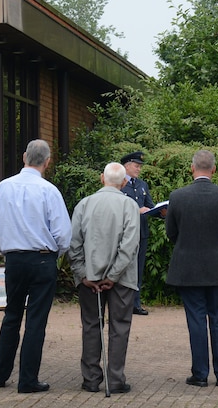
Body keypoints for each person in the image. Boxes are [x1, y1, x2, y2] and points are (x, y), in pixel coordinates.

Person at [0, 139, 72, 394]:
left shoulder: (3, 187)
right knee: (36, 321)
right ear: (47, 162)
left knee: (11, 315)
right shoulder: (49, 191)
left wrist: (9, 250)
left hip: (14, 259)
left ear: (24, 157)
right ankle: (28, 379)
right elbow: (63, 234)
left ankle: (0, 373)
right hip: (42, 259)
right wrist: (55, 255)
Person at [165, 149, 218, 387]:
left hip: (188, 268)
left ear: (192, 168)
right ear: (214, 169)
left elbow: (171, 233)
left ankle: (199, 374)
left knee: (196, 320)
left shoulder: (177, 196)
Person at [67, 162, 141, 393]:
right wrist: (114, 274)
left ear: (102, 178)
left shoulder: (84, 204)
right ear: (124, 182)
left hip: (90, 277)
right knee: (119, 327)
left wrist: (82, 273)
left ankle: (91, 379)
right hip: (122, 280)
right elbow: (129, 245)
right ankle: (116, 379)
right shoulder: (129, 205)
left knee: (91, 325)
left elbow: (73, 243)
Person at [120, 150, 156, 315]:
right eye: (136, 165)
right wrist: (137, 210)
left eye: (140, 166)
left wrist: (161, 212)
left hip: (141, 233)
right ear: (126, 166)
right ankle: (122, 303)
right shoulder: (119, 183)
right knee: (123, 267)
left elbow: (149, 205)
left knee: (138, 269)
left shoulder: (142, 185)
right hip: (125, 233)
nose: (139, 169)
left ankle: (136, 303)